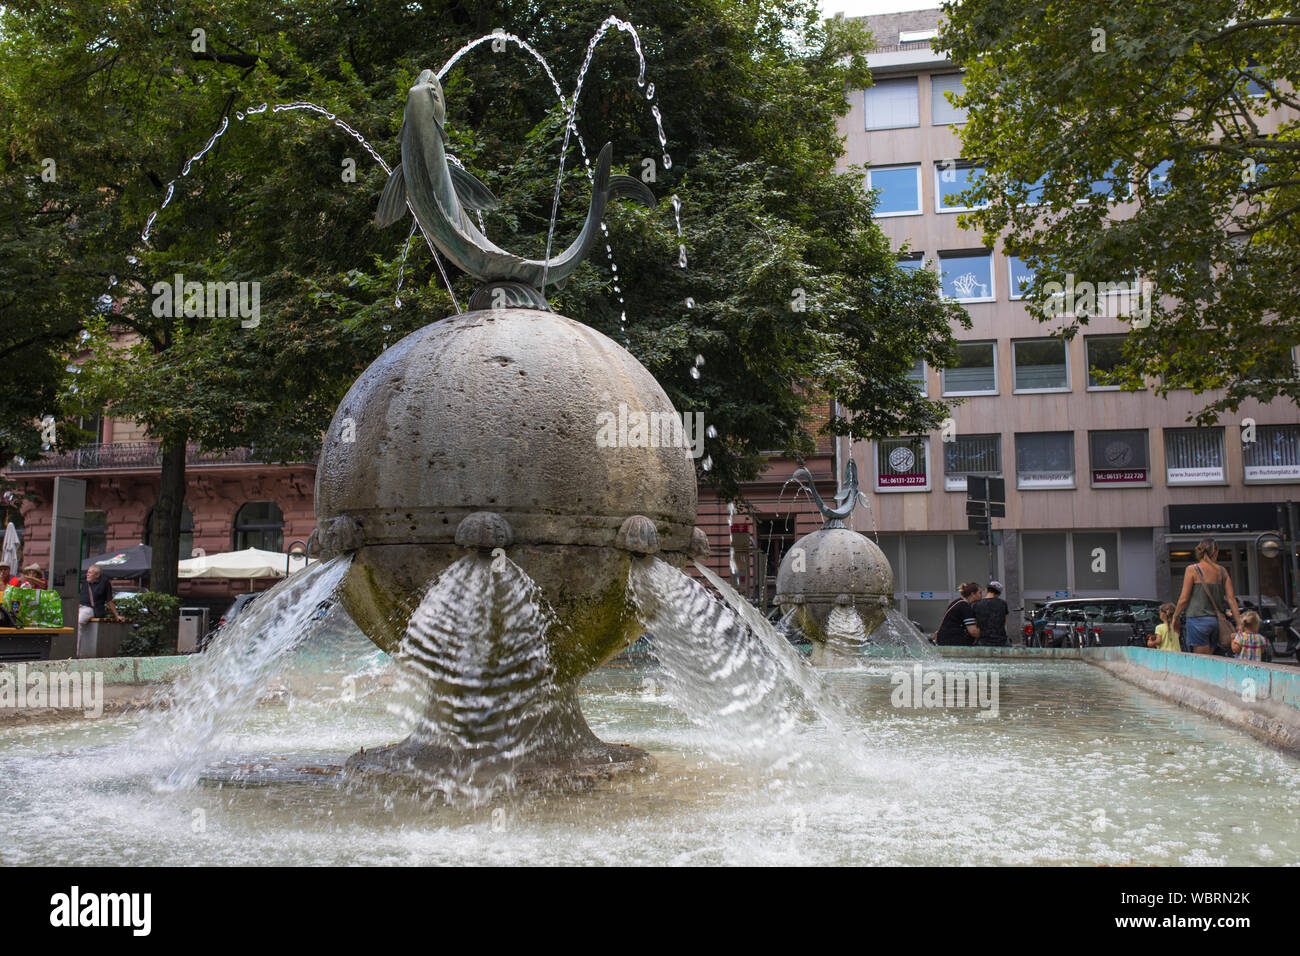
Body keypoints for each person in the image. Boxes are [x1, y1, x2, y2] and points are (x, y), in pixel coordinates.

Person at [1172, 537, 1241, 656]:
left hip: (1197, 619)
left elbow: (1184, 599)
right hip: (1216, 622)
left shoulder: (1192, 570)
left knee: (1202, 660)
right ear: (1216, 552)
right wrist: (1239, 623)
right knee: (1211, 657)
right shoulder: (1223, 572)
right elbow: (1231, 599)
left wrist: (1175, 616)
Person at [77, 564, 120, 656]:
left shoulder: (104, 583)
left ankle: (76, 653)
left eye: (90, 573)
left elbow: (109, 600)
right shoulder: (84, 582)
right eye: (87, 572)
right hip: (79, 606)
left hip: (90, 608)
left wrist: (116, 615)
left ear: (97, 575)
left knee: (78, 622)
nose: (87, 574)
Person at [934, 581, 982, 646]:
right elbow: (973, 631)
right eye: (980, 593)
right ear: (973, 594)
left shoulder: (957, 602)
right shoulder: (965, 606)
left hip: (944, 639)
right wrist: (987, 636)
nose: (982, 596)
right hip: (952, 641)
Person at [973, 580, 1009, 646]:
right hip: (1001, 640)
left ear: (986, 590)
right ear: (999, 594)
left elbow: (975, 624)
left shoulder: (977, 605)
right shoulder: (1003, 604)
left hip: (983, 641)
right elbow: (1004, 622)